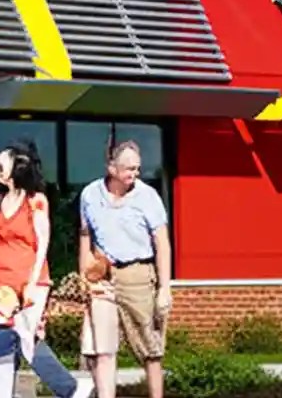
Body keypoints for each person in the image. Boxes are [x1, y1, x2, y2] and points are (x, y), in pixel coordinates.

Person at [0, 140, 92, 398]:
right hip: (2, 283)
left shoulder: (36, 201)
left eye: (2, 163)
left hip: (31, 281)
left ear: (17, 168)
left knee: (26, 338)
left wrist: (32, 284)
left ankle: (71, 389)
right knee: (1, 339)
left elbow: (43, 243)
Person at [79, 139, 173, 398]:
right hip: (104, 277)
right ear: (112, 168)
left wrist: (165, 288)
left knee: (151, 350)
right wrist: (84, 277)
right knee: (103, 349)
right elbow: (85, 237)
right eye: (129, 168)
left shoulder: (148, 197)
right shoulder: (90, 195)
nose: (135, 174)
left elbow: (162, 244)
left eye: (137, 169)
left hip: (138, 275)